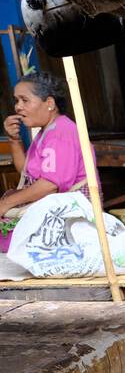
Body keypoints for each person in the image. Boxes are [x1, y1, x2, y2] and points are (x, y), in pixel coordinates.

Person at [0, 72, 92, 252]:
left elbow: (49, 185)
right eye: (16, 101)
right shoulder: (46, 132)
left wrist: (6, 204)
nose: (18, 107)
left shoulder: (61, 133)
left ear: (49, 103)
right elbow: (27, 173)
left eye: (24, 100)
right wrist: (14, 139)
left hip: (72, 222)